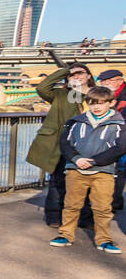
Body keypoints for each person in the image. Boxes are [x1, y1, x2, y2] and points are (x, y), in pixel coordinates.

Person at [49, 85, 126, 253]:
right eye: (92, 103)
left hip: (103, 171)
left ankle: (104, 240)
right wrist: (76, 159)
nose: (96, 107)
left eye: (100, 103)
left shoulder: (118, 124)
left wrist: (94, 161)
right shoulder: (76, 122)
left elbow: (120, 148)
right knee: (71, 204)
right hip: (76, 169)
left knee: (103, 208)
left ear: (111, 103)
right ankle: (66, 234)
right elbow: (65, 143)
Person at [27, 63, 95, 226]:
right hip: (63, 145)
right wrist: (65, 71)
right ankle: (54, 216)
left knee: (87, 182)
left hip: (89, 145)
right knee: (58, 181)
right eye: (73, 75)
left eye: (81, 73)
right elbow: (42, 87)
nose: (77, 76)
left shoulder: (97, 95)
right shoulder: (61, 94)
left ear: (89, 76)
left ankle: (84, 217)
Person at [98, 69, 126, 211]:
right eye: (103, 82)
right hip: (111, 136)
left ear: (120, 80)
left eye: (109, 81)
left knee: (120, 169)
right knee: (115, 169)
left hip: (122, 137)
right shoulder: (105, 94)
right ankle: (115, 200)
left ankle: (114, 201)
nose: (105, 84)